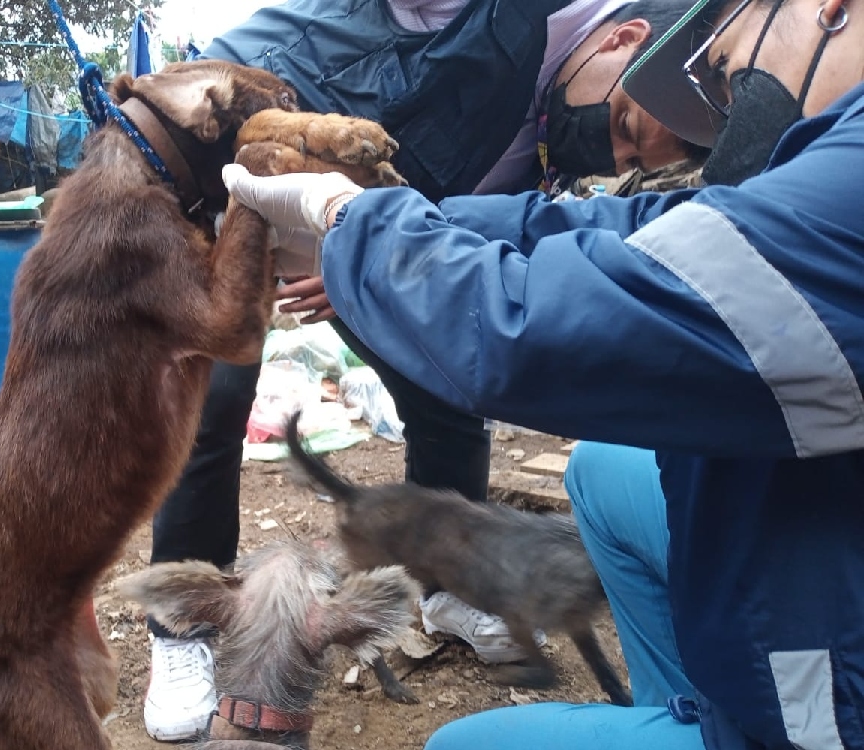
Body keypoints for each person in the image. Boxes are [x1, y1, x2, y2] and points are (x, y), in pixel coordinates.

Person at [219, 0, 864, 744]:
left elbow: (534, 337)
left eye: (720, 71)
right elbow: (632, 233)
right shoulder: (832, 159)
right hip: (810, 520)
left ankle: (734, 728)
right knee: (600, 469)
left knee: (457, 745)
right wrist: (380, 219)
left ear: (829, 8)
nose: (722, 108)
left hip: (832, 680)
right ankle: (681, 708)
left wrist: (342, 216)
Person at [142, 0, 706, 740]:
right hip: (233, 166)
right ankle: (184, 633)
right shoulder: (501, 17)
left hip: (361, 238)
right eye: (626, 124)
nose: (610, 151)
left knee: (446, 389)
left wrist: (360, 247)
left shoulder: (553, 148)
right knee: (210, 400)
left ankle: (443, 589)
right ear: (626, 38)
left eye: (630, 163)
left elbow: (488, 231)